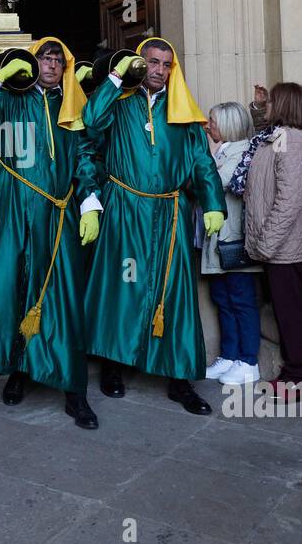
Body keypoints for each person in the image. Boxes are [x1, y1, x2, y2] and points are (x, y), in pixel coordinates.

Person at [0, 39, 102, 427]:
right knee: (17, 290)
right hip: (12, 212)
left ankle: (75, 391)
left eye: (58, 59)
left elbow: (86, 154)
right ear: (31, 61)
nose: (52, 64)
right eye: (45, 57)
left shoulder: (72, 104)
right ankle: (18, 371)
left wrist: (90, 203)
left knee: (64, 300)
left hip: (59, 216)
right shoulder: (8, 99)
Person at [82, 37, 226, 414]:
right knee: (124, 287)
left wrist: (213, 204)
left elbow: (201, 162)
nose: (159, 70)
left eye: (166, 64)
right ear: (138, 64)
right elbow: (90, 123)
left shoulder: (182, 112)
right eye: (152, 62)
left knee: (175, 295)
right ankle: (114, 365)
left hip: (170, 214)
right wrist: (115, 78)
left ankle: (180, 379)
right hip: (125, 213)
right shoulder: (120, 103)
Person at [235, 82, 302, 401]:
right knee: (285, 312)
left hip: (285, 247)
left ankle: (298, 379)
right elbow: (265, 141)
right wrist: (258, 109)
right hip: (277, 245)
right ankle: (291, 374)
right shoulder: (281, 135)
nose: (267, 104)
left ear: (285, 106)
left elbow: (290, 199)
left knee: (292, 314)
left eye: (271, 101)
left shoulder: (294, 140)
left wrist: (266, 243)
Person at [200, 101, 263, 387]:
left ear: (226, 125)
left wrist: (208, 154)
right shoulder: (225, 151)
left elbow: (213, 183)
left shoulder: (242, 152)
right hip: (218, 241)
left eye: (212, 120)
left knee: (242, 302)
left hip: (234, 241)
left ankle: (248, 361)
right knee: (223, 300)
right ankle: (229, 355)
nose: (207, 125)